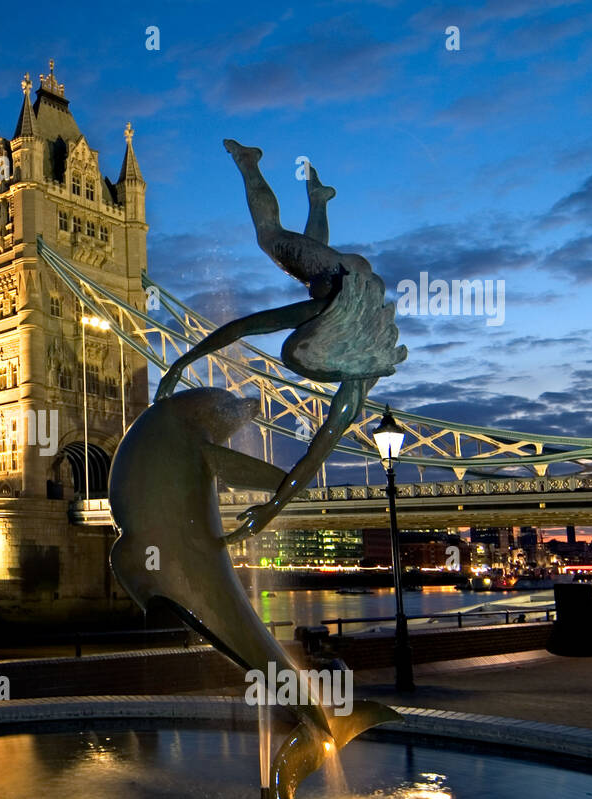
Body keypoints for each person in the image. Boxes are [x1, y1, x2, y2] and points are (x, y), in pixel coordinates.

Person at [155, 139, 406, 544]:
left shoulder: (355, 359)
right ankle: (249, 162)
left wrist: (273, 508)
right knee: (269, 235)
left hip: (343, 275)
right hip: (339, 275)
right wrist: (179, 364)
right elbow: (241, 328)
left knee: (309, 270)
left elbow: (316, 453)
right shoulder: (340, 337)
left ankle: (319, 201)